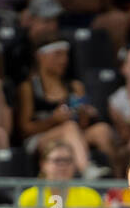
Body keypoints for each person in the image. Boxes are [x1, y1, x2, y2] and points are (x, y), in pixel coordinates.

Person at [16, 36, 114, 175]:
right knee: (69, 127)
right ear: (41, 56)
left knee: (101, 130)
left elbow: (82, 125)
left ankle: (115, 178)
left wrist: (83, 114)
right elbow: (24, 130)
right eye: (57, 54)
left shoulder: (75, 86)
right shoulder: (29, 88)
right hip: (41, 139)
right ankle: (87, 170)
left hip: (74, 135)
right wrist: (53, 120)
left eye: (65, 54)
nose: (63, 60)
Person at [16, 139, 103, 208]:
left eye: (67, 160)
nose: (62, 165)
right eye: (57, 160)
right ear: (43, 164)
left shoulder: (91, 197)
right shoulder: (29, 198)